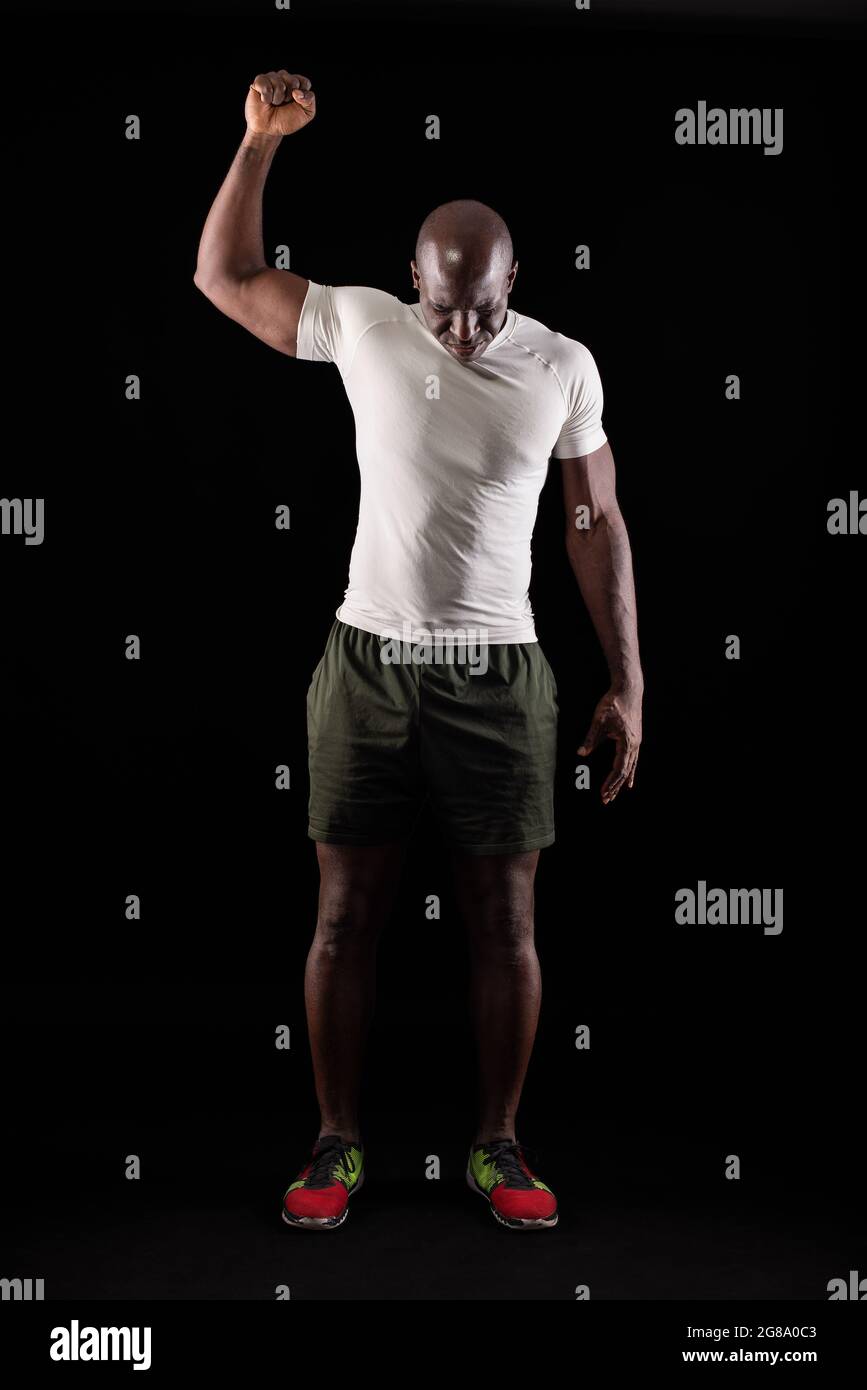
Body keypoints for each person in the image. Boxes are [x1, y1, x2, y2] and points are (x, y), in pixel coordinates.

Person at [194, 70, 643, 1232]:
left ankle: (498, 1145)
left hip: (504, 670)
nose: (461, 333)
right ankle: (336, 1140)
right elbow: (223, 278)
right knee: (344, 914)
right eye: (444, 310)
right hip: (368, 663)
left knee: (505, 919)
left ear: (513, 287)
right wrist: (257, 145)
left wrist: (629, 680)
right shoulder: (361, 323)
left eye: (483, 311)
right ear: (414, 285)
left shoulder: (563, 366)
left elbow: (592, 524)